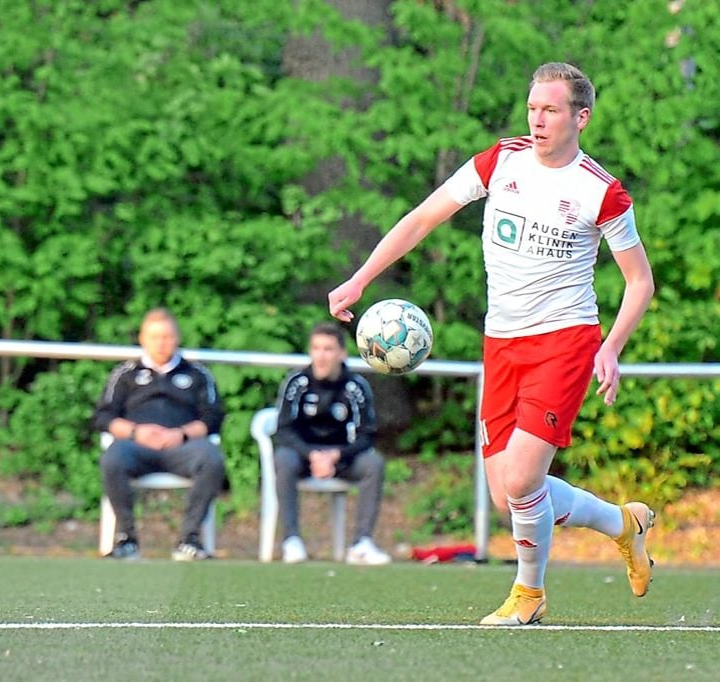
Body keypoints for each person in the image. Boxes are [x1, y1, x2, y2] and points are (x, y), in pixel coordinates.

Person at [329, 62, 656, 624]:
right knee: (508, 498)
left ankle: (528, 595)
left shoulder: (601, 192)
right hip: (501, 343)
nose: (537, 119)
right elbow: (422, 217)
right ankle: (622, 523)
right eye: (532, 108)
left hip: (566, 340)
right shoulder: (499, 161)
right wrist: (361, 277)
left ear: (581, 117)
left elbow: (640, 281)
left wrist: (612, 347)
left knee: (525, 480)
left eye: (550, 109)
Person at [94, 307, 226, 561]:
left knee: (211, 458)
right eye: (154, 337)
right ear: (143, 339)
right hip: (137, 447)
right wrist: (136, 432)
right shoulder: (126, 374)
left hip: (182, 448)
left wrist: (181, 434)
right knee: (113, 458)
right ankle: (126, 539)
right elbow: (104, 417)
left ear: (176, 339)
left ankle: (189, 539)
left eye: (166, 337)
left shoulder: (197, 375)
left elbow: (213, 418)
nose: (161, 343)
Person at [273, 322, 391, 565]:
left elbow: (366, 435)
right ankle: (291, 541)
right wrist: (312, 455)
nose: (321, 356)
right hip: (304, 457)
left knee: (374, 463)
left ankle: (361, 543)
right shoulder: (296, 383)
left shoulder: (356, 386)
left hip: (343, 458)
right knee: (283, 459)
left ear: (341, 353)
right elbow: (283, 430)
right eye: (316, 348)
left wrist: (336, 455)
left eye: (328, 349)